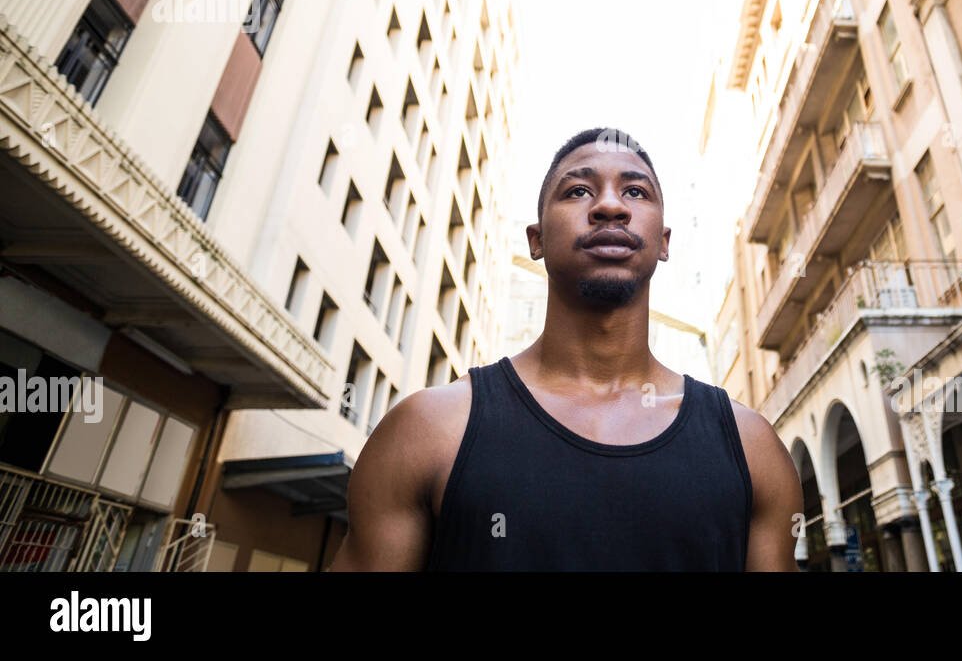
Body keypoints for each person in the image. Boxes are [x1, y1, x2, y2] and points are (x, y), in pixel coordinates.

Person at [329, 127, 803, 571]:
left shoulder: (751, 446)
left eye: (635, 192)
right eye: (578, 191)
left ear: (663, 242)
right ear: (536, 240)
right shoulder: (428, 430)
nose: (610, 207)